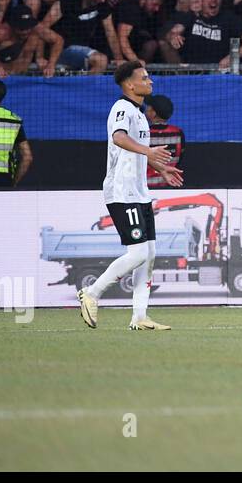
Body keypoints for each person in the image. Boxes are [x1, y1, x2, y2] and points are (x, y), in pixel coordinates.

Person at [76, 61, 182, 332]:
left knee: (149, 254)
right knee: (137, 254)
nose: (151, 82)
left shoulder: (139, 113)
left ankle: (139, 316)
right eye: (145, 78)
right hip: (122, 192)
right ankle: (92, 293)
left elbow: (134, 149)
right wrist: (150, 154)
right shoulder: (122, 108)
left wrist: (161, 168)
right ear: (129, 84)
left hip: (139, 191)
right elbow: (119, 138)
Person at [145, 94, 184, 190]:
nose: (145, 111)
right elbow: (180, 158)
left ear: (153, 113)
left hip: (146, 186)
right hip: (172, 184)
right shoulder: (178, 133)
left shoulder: (144, 133)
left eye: (148, 108)